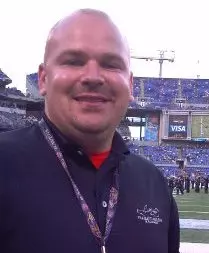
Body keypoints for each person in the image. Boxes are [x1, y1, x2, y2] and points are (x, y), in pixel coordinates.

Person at [0, 9, 180, 253]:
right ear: (43, 79)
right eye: (73, 61)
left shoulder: (154, 184)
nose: (93, 77)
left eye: (111, 64)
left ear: (129, 84)